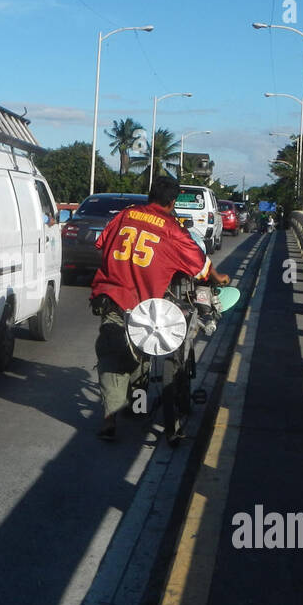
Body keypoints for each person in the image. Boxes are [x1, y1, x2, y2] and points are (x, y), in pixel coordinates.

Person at [90, 176, 230, 440]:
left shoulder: (124, 216)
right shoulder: (172, 229)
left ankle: (110, 420)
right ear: (172, 201)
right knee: (142, 349)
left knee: (111, 357)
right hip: (146, 305)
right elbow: (200, 266)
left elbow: (102, 244)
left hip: (112, 298)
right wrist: (218, 277)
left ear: (149, 195)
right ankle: (139, 404)